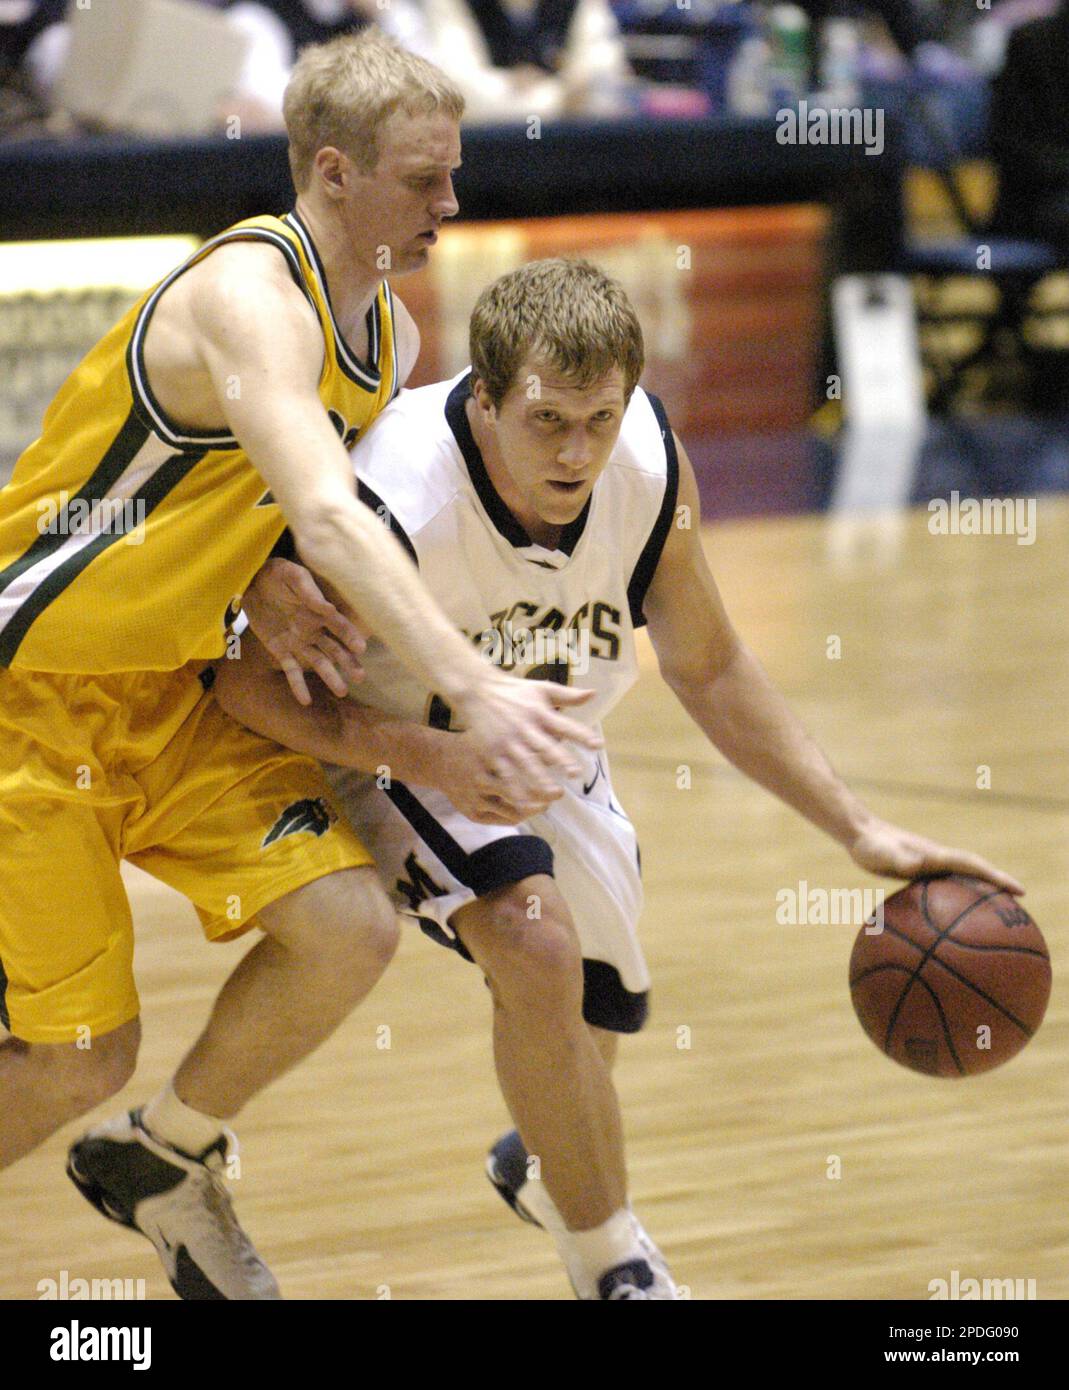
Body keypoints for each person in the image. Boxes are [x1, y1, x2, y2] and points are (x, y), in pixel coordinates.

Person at [214, 257, 1023, 1300]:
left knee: (589, 1030)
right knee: (532, 940)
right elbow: (244, 685)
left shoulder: (645, 469)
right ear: (489, 396)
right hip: (395, 744)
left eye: (600, 417)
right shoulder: (392, 491)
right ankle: (616, 1265)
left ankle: (545, 1171)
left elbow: (711, 665)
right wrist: (426, 753)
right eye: (548, 420)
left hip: (554, 751)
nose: (577, 449)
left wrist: (858, 831)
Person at [0, 30, 598, 1302]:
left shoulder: (377, 336)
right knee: (74, 1057)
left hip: (166, 694)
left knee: (344, 929)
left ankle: (163, 1159)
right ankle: (117, 1113)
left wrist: (258, 578)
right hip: (27, 695)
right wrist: (479, 692)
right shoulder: (245, 297)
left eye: (454, 176)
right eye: (423, 180)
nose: (451, 205)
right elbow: (323, 513)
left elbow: (277, 524)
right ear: (333, 171)